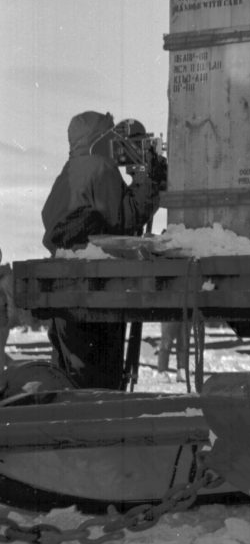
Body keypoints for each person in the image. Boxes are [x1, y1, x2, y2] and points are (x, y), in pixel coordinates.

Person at [39, 111, 165, 389]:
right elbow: (126, 218)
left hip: (64, 291)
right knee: (99, 382)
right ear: (97, 139)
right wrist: (146, 176)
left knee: (68, 378)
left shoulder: (69, 171)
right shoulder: (99, 169)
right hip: (95, 290)